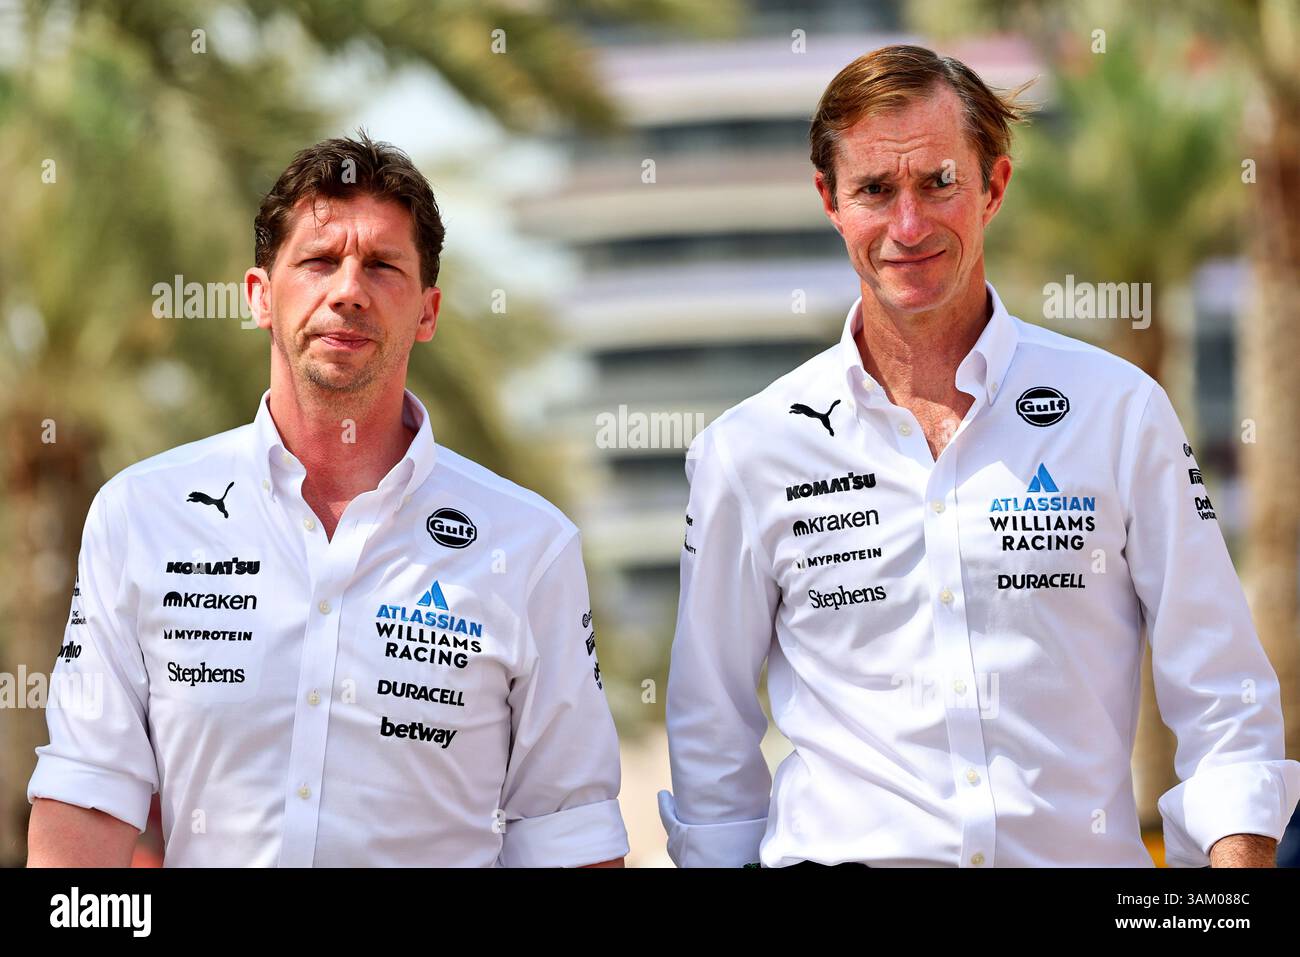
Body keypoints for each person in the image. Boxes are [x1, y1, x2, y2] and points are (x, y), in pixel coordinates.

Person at [657, 45, 1299, 867]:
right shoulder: (749, 449)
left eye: (938, 182)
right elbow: (711, 743)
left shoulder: (1119, 411)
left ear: (993, 186)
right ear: (830, 200)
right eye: (876, 191)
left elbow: (1226, 702)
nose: (909, 225)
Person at [27, 133, 628, 867]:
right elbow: (87, 801)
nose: (347, 288)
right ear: (259, 296)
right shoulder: (142, 518)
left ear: (429, 311)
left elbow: (568, 835)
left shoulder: (529, 545)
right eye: (317, 261)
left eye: (381, 265)